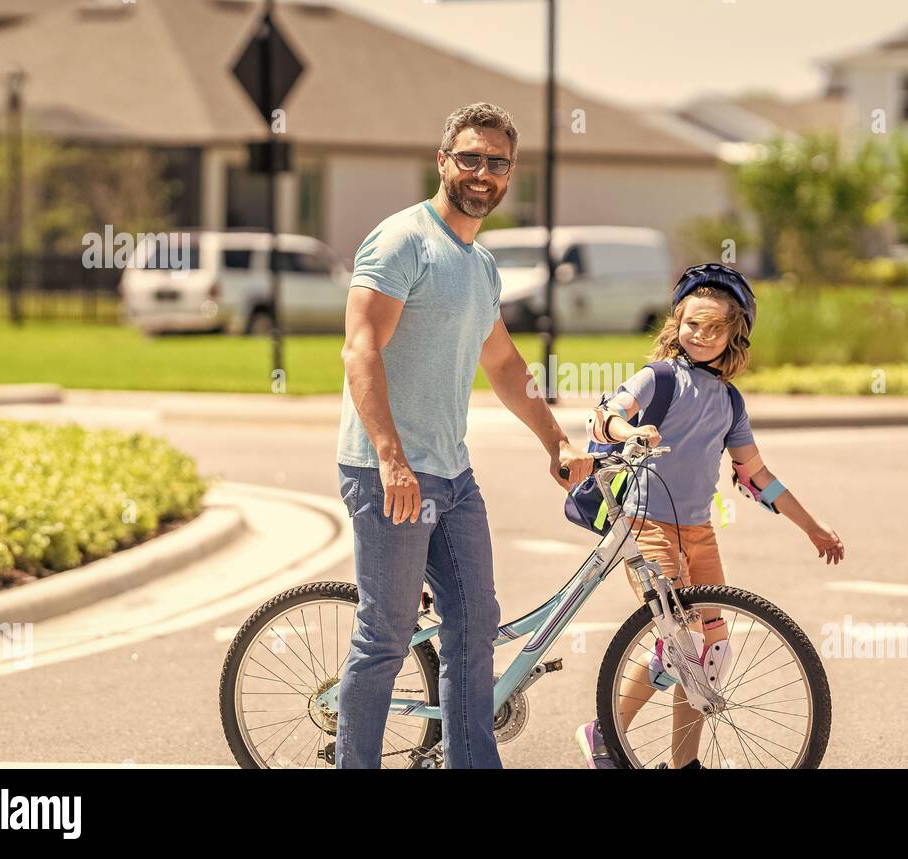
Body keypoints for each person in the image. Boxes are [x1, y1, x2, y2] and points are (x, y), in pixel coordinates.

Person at [335, 102, 593, 769]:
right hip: (386, 470)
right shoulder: (401, 241)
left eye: (497, 162)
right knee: (386, 635)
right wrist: (392, 459)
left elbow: (504, 365)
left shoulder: (479, 266)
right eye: (471, 158)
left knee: (474, 628)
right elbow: (360, 351)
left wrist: (555, 441)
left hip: (452, 474)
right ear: (443, 160)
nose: (483, 173)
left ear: (510, 173)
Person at [574, 263, 845, 769]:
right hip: (646, 525)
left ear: (734, 334)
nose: (700, 335)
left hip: (698, 532)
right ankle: (604, 734)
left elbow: (757, 475)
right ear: (676, 326)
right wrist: (627, 431)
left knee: (711, 652)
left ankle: (684, 764)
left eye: (714, 327)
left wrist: (811, 527)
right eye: (691, 324)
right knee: (681, 640)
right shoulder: (659, 378)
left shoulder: (728, 401)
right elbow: (603, 415)